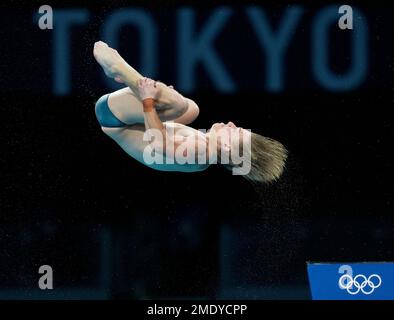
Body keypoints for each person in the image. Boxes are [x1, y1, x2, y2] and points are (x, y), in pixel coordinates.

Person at [93, 41, 287, 183]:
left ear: (228, 148)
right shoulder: (205, 152)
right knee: (191, 109)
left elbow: (158, 144)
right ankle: (141, 86)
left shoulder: (203, 152)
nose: (232, 124)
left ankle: (118, 70)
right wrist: (161, 99)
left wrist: (148, 100)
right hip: (124, 120)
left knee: (177, 104)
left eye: (236, 131)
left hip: (114, 118)